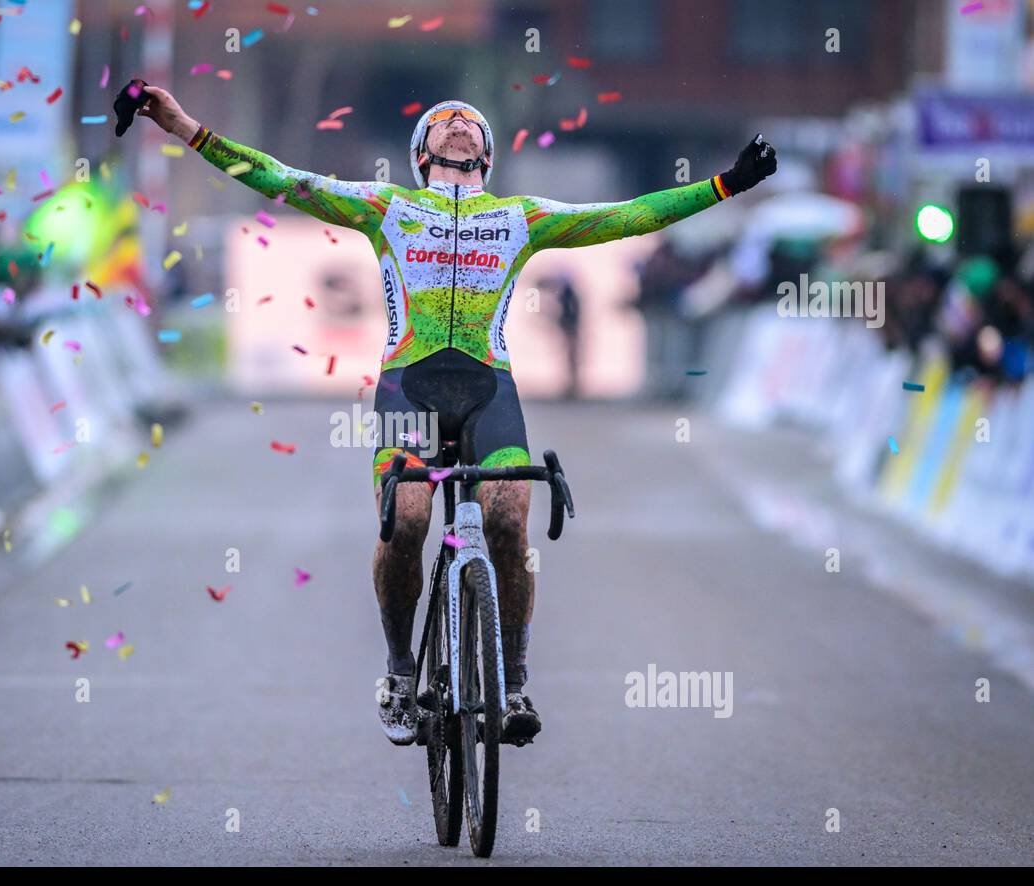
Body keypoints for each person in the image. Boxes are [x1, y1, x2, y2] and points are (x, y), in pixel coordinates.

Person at [135, 89, 777, 745]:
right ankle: (398, 670)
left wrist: (726, 185)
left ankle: (515, 679)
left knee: (505, 517)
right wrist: (184, 126)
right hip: (406, 388)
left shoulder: (521, 216)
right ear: (420, 154)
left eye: (471, 122)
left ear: (489, 155)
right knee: (408, 519)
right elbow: (279, 178)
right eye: (441, 122)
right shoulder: (386, 207)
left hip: (488, 388)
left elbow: (629, 216)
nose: (458, 124)